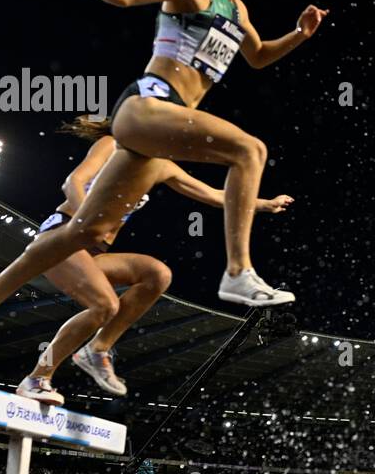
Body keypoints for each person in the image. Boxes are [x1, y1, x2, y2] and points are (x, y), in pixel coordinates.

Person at [0, 0, 328, 356]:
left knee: (83, 235)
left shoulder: (239, 9)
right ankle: (237, 272)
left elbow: (260, 56)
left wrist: (299, 36)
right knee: (250, 150)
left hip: (159, 130)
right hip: (147, 107)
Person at [15, 118, 293, 405]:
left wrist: (265, 204)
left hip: (94, 252)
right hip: (61, 236)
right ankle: (38, 377)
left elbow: (215, 195)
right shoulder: (112, 145)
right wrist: (87, 221)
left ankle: (97, 348)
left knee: (157, 274)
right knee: (106, 304)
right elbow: (72, 182)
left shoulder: (163, 166)